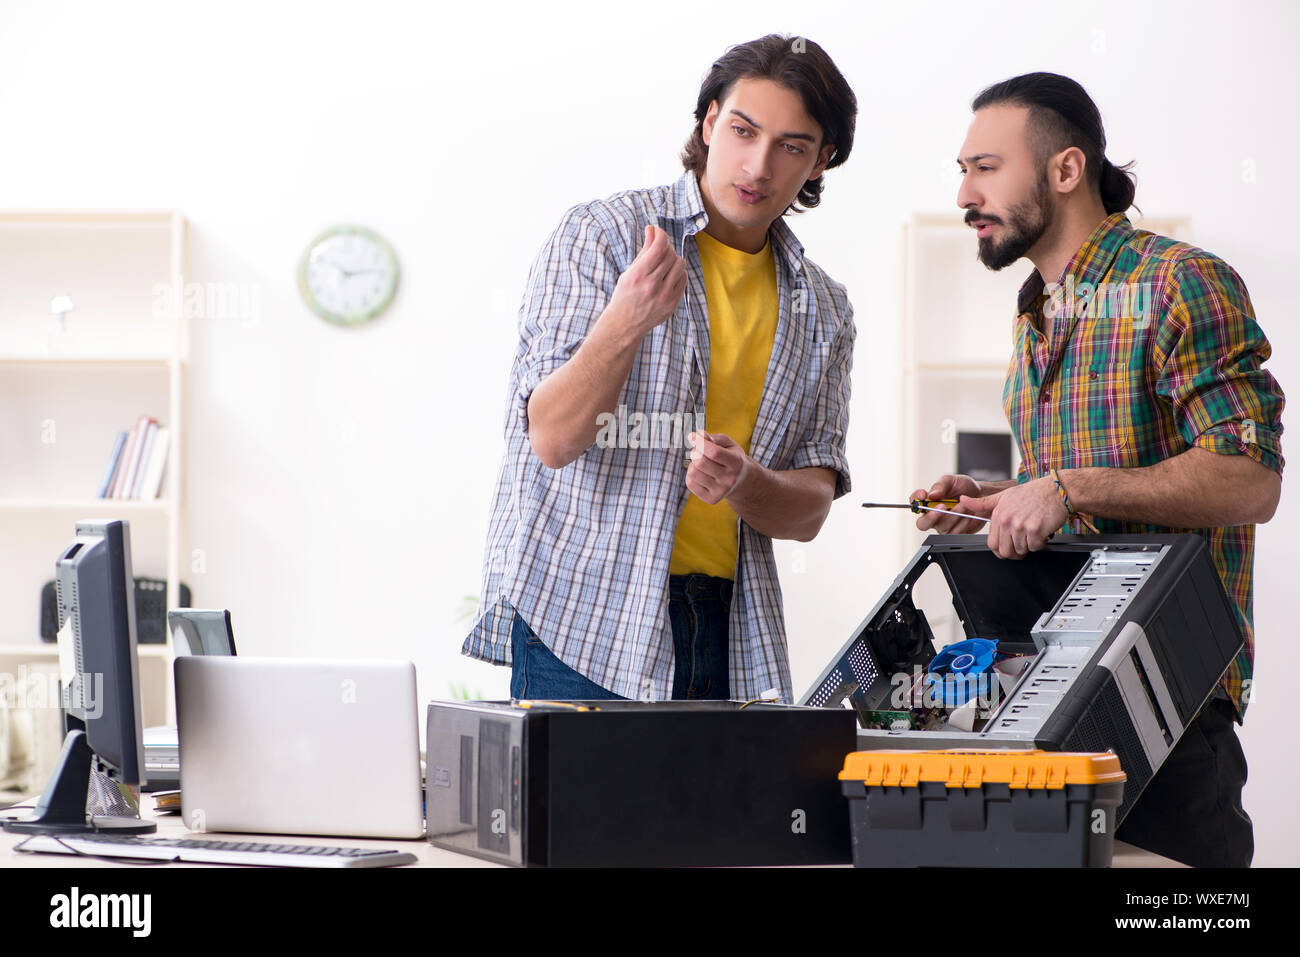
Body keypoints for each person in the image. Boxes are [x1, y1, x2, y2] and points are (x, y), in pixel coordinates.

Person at [913, 72, 1284, 867]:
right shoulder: (1035, 311)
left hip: (1169, 710)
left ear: (1066, 170)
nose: (964, 193)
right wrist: (996, 499)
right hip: (1050, 703)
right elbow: (1069, 485)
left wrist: (1068, 486)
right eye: (962, 170)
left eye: (984, 167)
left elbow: (1251, 478)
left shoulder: (1180, 282)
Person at [462, 35, 857, 704]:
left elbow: (810, 510)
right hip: (583, 621)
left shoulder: (822, 305)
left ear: (821, 160)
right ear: (709, 124)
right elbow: (552, 438)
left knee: (724, 815)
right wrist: (625, 322)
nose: (757, 165)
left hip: (730, 628)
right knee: (582, 815)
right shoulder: (603, 236)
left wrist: (742, 481)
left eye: (791, 146)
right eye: (742, 130)